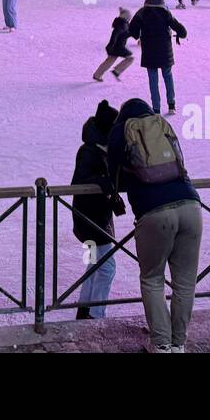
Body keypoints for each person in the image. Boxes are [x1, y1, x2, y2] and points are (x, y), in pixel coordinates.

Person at [107, 97, 202, 353]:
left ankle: (161, 344)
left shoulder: (120, 131)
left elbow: (111, 172)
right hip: (191, 205)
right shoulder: (160, 125)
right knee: (185, 282)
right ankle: (179, 343)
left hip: (154, 212)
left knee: (152, 279)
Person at [70, 100, 123, 319]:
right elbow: (78, 181)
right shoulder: (90, 151)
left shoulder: (99, 148)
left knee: (94, 264)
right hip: (91, 220)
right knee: (107, 267)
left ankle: (85, 309)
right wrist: (101, 181)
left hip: (94, 218)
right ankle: (96, 314)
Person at [127, 0, 187, 115]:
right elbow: (180, 29)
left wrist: (138, 34)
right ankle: (171, 105)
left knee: (153, 80)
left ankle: (156, 109)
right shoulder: (166, 13)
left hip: (149, 52)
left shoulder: (142, 12)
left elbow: (132, 30)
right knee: (168, 76)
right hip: (165, 51)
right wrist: (180, 34)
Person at [94, 7, 135, 81]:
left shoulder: (122, 24)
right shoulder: (122, 24)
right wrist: (111, 44)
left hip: (115, 46)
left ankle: (97, 75)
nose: (130, 19)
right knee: (130, 58)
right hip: (118, 46)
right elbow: (115, 34)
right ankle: (117, 71)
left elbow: (124, 34)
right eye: (129, 18)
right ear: (127, 17)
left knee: (110, 60)